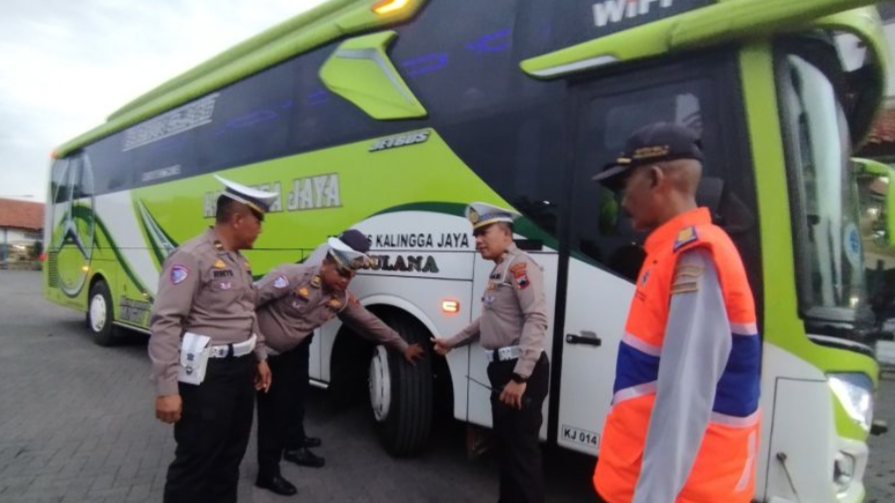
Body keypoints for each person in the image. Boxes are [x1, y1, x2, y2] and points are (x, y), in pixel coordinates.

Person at [591, 123, 761, 503]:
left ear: (654, 178)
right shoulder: (670, 252)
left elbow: (684, 398)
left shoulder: (694, 256)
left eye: (625, 185)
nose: (622, 201)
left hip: (682, 492)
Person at [253, 229, 425, 496]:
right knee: (269, 415)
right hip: (261, 355)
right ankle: (266, 473)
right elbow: (246, 305)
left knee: (291, 403)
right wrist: (257, 353)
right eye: (342, 274)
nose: (346, 281)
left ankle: (290, 450)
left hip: (291, 353)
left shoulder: (338, 298)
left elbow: (369, 323)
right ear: (325, 264)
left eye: (351, 276)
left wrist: (402, 346)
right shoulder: (291, 276)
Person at [148, 175, 278, 503]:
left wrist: (260, 356)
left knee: (230, 457)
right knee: (196, 459)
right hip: (207, 375)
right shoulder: (191, 256)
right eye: (258, 221)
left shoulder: (239, 261)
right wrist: (166, 389)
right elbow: (166, 322)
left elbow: (247, 312)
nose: (261, 229)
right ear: (237, 219)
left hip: (241, 370)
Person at [432, 203, 550, 503]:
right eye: (476, 234)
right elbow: (485, 322)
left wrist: (520, 377)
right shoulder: (499, 270)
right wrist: (451, 342)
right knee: (506, 451)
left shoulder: (521, 267)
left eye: (484, 232)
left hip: (519, 372)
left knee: (522, 457)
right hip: (502, 371)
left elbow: (536, 318)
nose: (478, 240)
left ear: (507, 233)